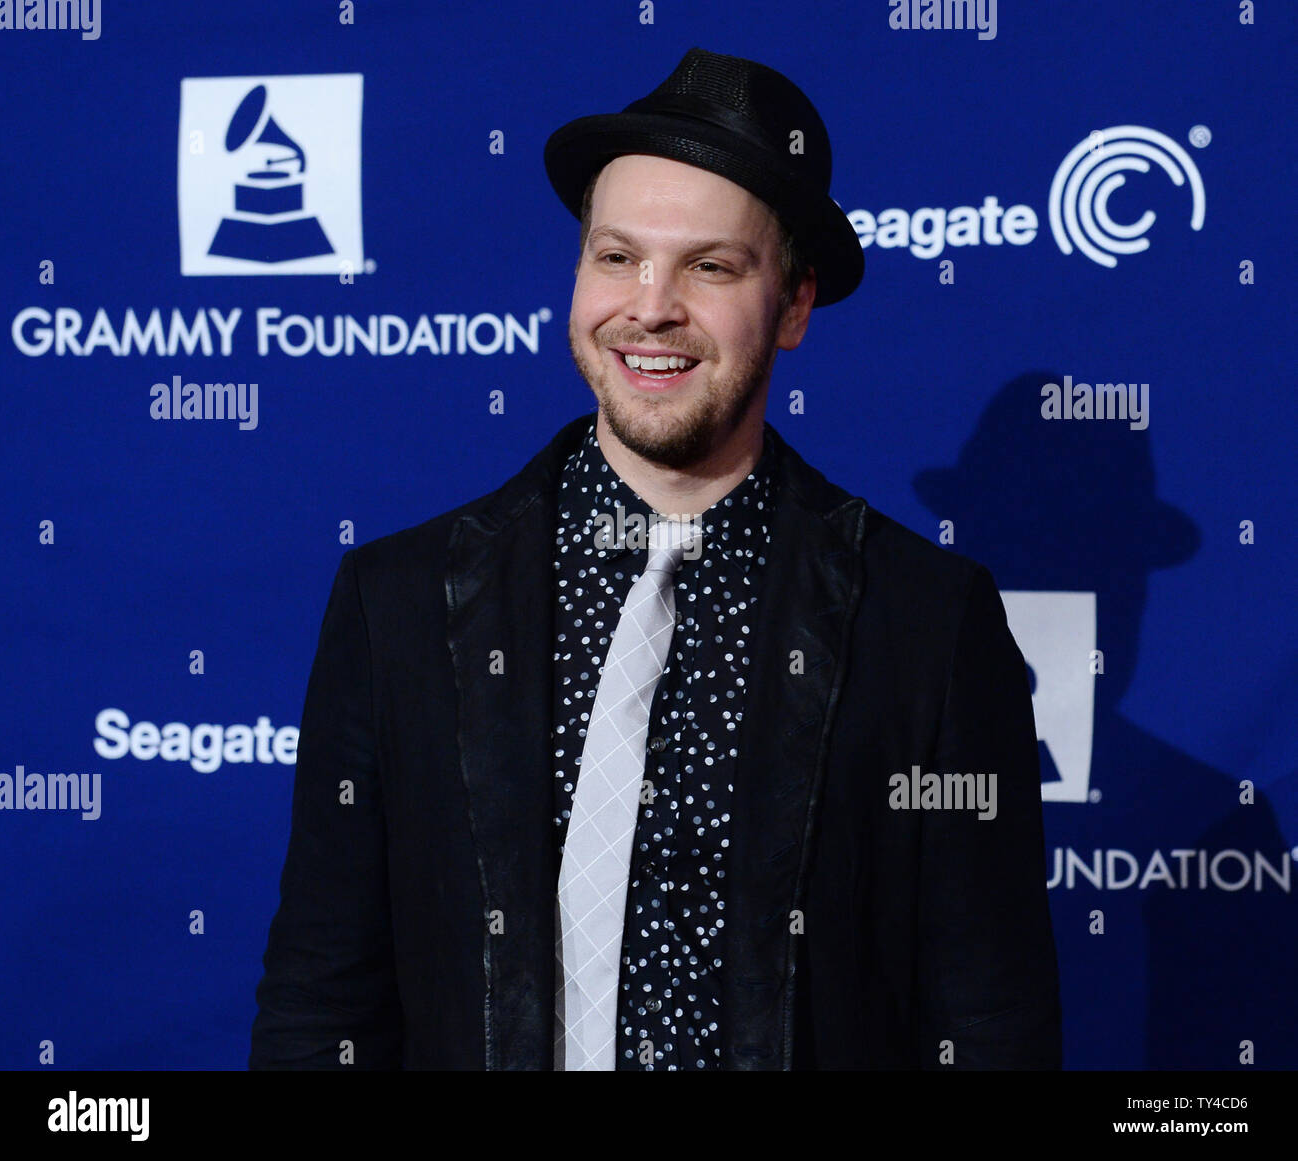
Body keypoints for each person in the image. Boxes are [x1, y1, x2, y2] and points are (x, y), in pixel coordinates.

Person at [249, 46, 1061, 1071]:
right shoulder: (400, 601)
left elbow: (988, 1019)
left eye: (710, 267)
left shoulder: (926, 622)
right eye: (615, 256)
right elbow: (323, 1002)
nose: (649, 307)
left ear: (796, 304)